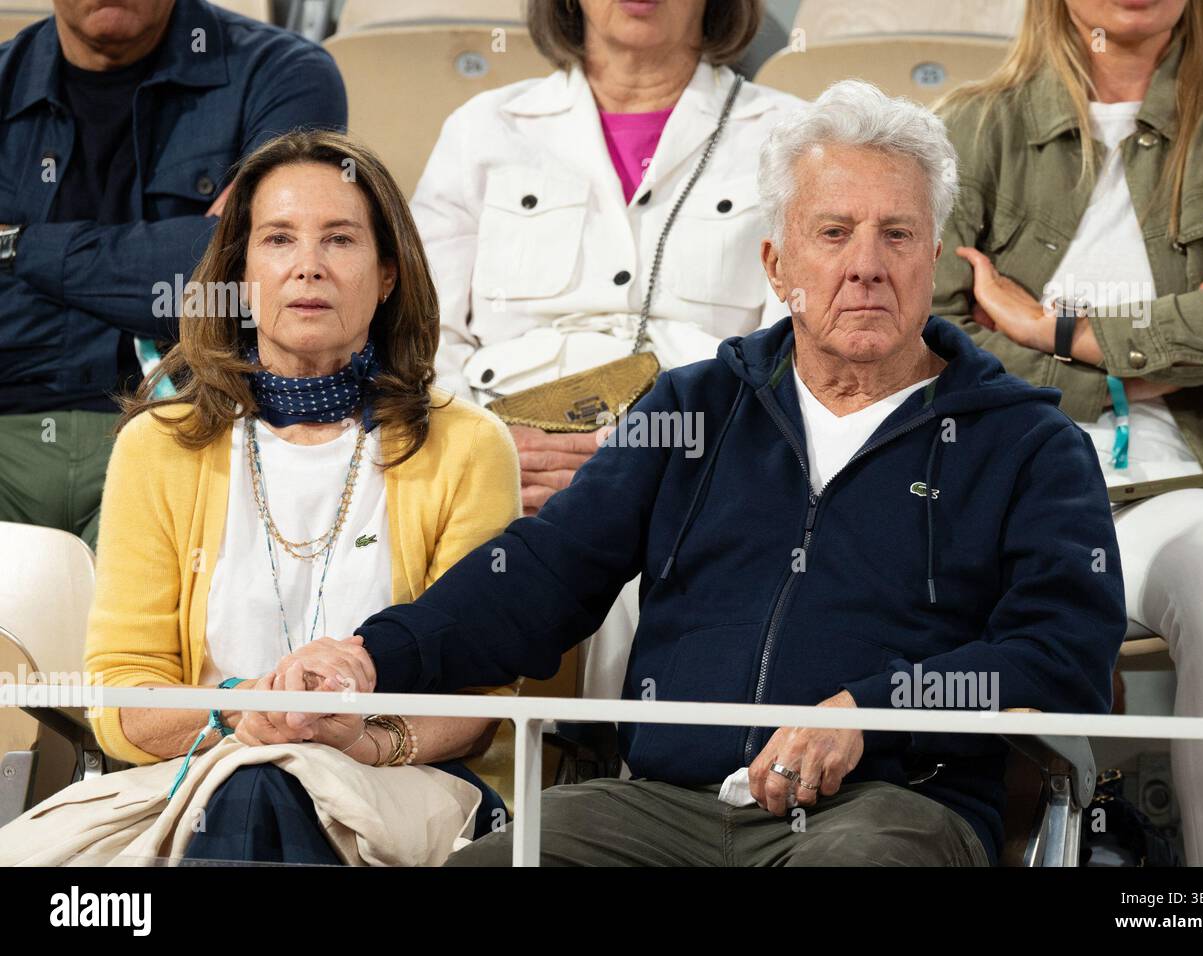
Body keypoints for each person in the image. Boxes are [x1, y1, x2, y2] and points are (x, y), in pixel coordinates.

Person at [285, 81, 1127, 867]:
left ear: (934, 259)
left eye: (897, 234)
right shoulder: (695, 409)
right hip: (660, 801)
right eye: (833, 233)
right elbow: (538, 577)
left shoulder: (1028, 442)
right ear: (776, 266)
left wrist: (873, 711)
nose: (866, 264)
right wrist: (370, 657)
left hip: (887, 808)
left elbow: (1062, 655)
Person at [0, 131, 522, 866]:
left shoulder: (469, 445)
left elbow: (478, 699)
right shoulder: (159, 446)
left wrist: (362, 739)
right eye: (279, 239)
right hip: (195, 778)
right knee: (248, 790)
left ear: (387, 276)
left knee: (263, 793)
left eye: (340, 239)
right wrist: (240, 715)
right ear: (241, 275)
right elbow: (121, 699)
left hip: (399, 781)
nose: (308, 266)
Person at [932, 0, 1203, 865]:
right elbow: (931, 339)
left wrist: (1046, 331)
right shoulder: (972, 125)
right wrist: (1139, 368)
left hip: (1184, 491)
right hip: (1009, 495)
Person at [411, 0, 802, 699]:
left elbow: (796, 348)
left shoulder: (792, 136)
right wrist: (486, 448)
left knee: (653, 538)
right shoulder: (483, 130)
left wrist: (642, 462)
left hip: (696, 462)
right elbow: (421, 332)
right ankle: (453, 786)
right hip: (503, 454)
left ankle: (630, 793)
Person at [0, 0, 346, 549]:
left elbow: (257, 277)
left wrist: (18, 247)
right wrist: (169, 268)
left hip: (199, 424)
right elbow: (215, 278)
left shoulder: (282, 73)